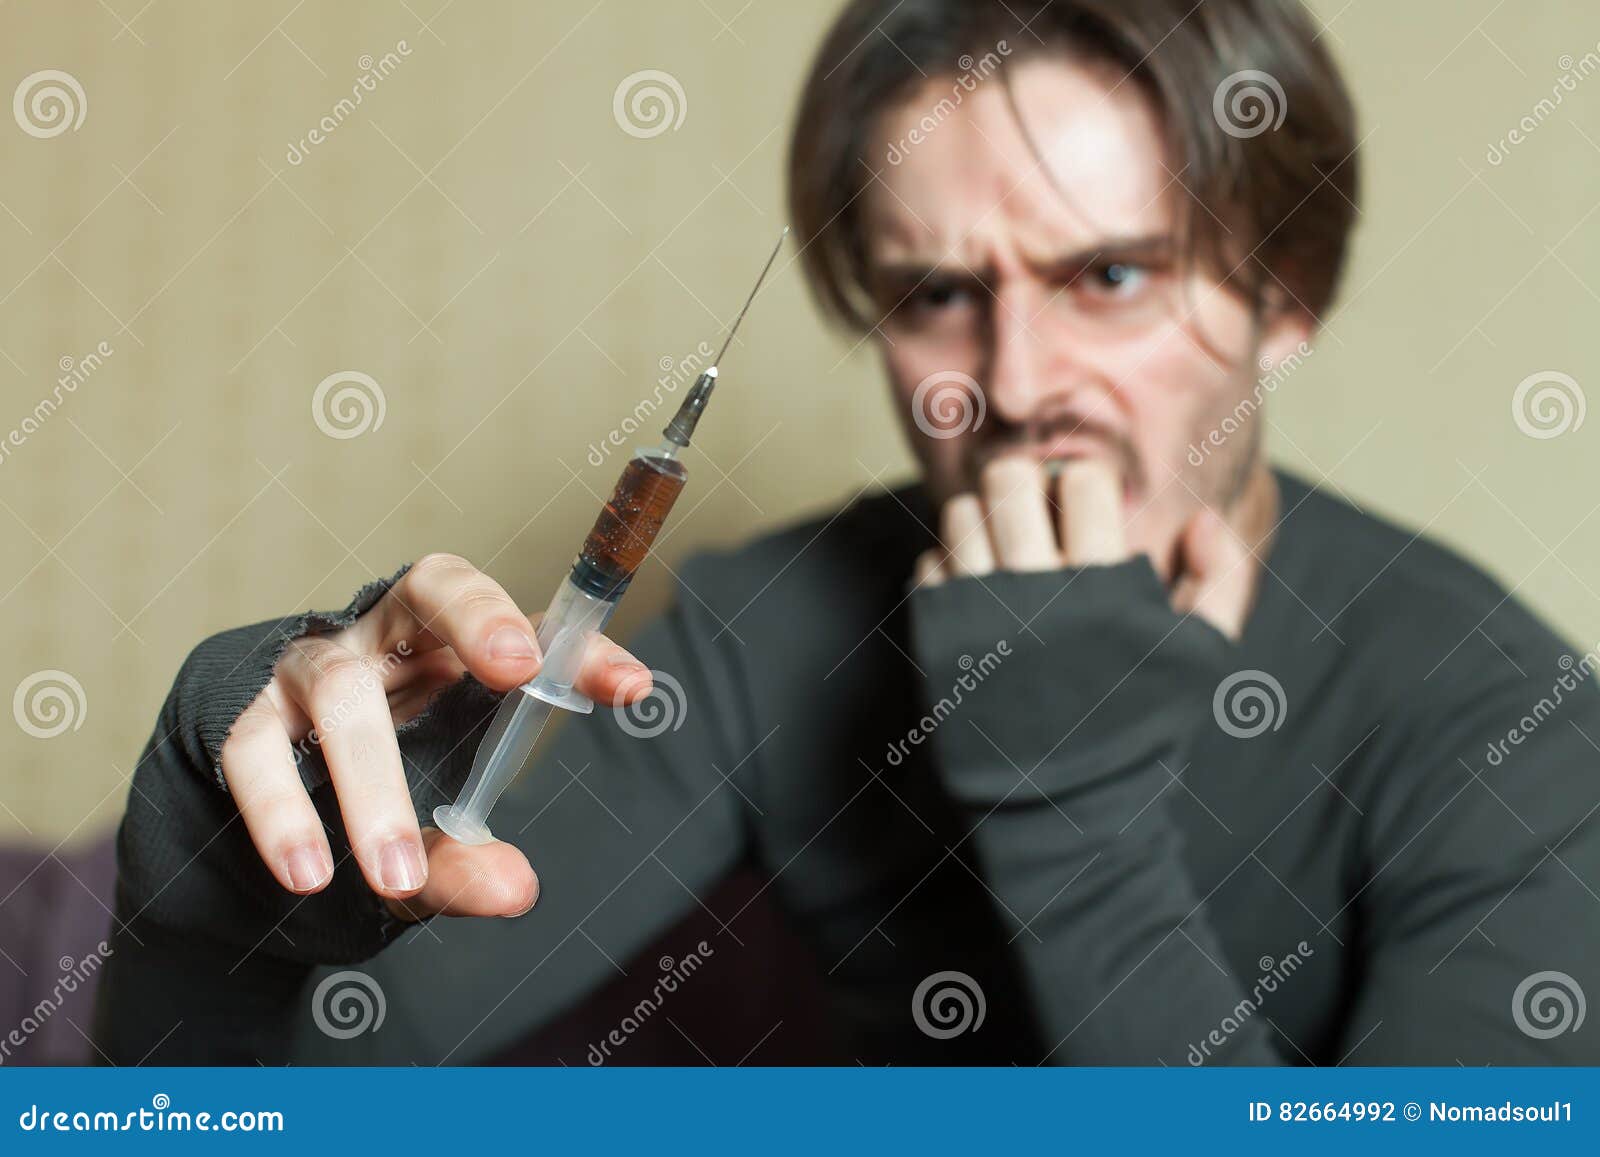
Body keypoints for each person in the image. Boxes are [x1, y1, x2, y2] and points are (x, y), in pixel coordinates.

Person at [95, 0, 1600, 1065]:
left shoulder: (1505, 718)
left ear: (1287, 304)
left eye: (1112, 277)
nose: (1014, 390)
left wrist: (1069, 805)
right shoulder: (778, 629)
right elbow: (270, 1110)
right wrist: (223, 864)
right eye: (939, 295)